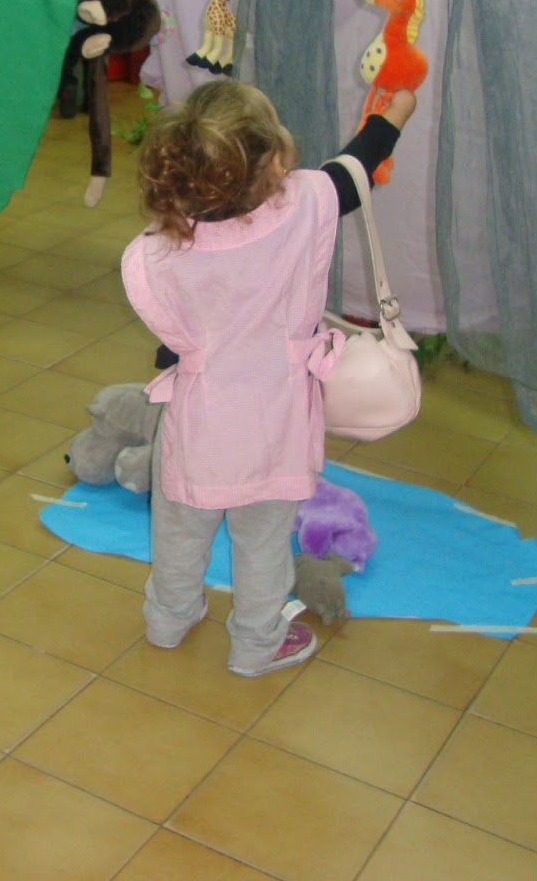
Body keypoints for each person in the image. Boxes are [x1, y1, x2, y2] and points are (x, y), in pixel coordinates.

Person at [122, 80, 416, 677]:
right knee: (262, 544)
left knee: (178, 531)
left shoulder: (156, 251)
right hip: (277, 423)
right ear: (276, 161)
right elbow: (357, 167)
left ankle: (168, 620)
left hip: (198, 425)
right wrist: (398, 111)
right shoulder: (307, 201)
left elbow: (173, 342)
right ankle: (256, 645)